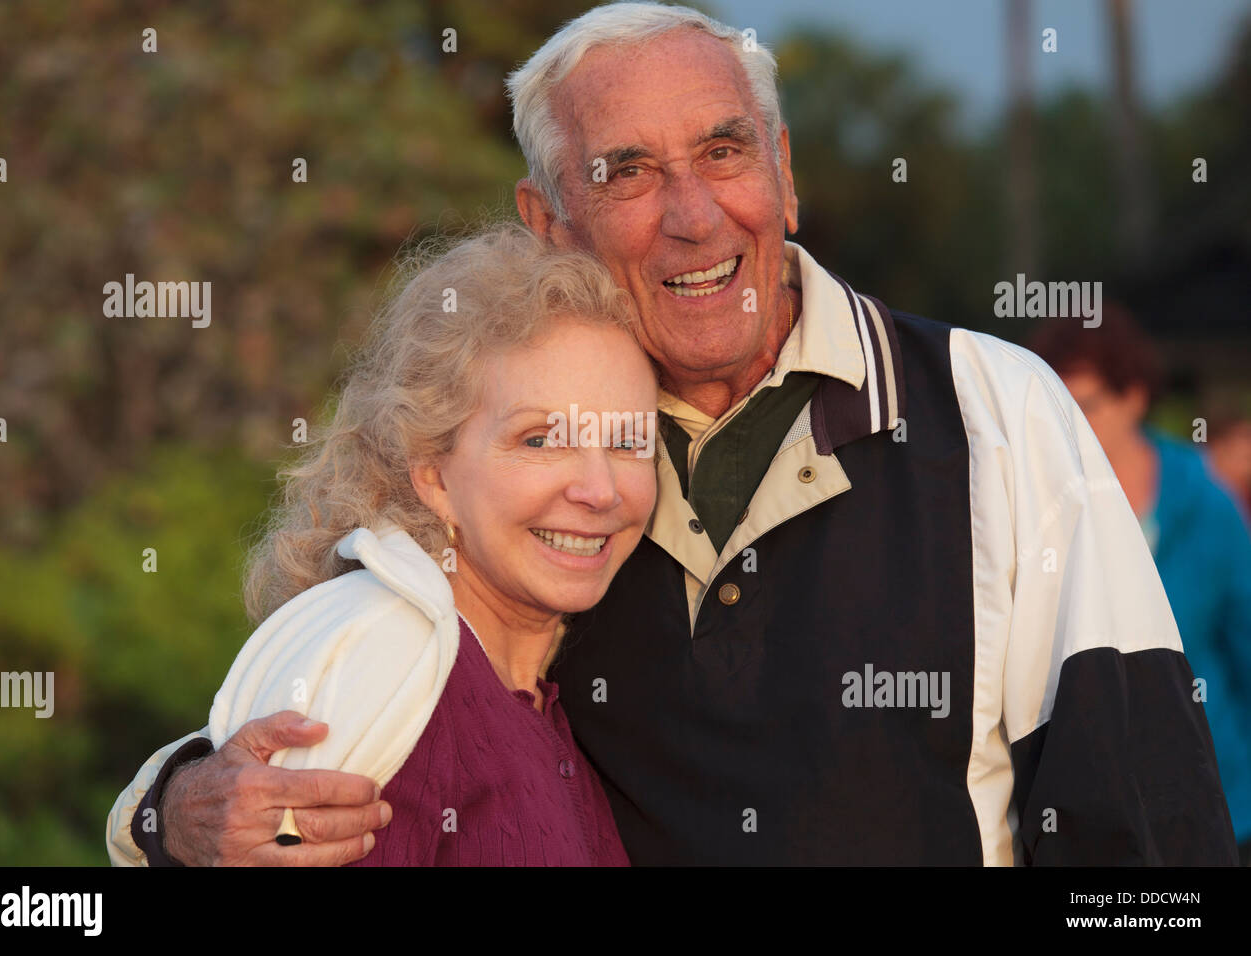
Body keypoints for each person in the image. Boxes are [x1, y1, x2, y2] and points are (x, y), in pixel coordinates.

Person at [108, 2, 1237, 866]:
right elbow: (324, 698)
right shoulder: (522, 480)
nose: (693, 213)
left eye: (724, 150)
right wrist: (171, 805)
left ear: (784, 176)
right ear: (548, 224)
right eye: (628, 171)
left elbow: (1147, 830)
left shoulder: (997, 410)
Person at [111, 223, 658, 865]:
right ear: (433, 474)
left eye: (627, 441)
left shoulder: (548, 698)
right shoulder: (391, 672)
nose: (599, 489)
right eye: (538, 440)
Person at [1028, 306, 1251, 864]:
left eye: (1086, 405)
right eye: (1056, 406)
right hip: (1088, 816)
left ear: (1134, 397)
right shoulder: (1032, 508)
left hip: (1216, 806)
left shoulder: (1206, 503)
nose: (1068, 423)